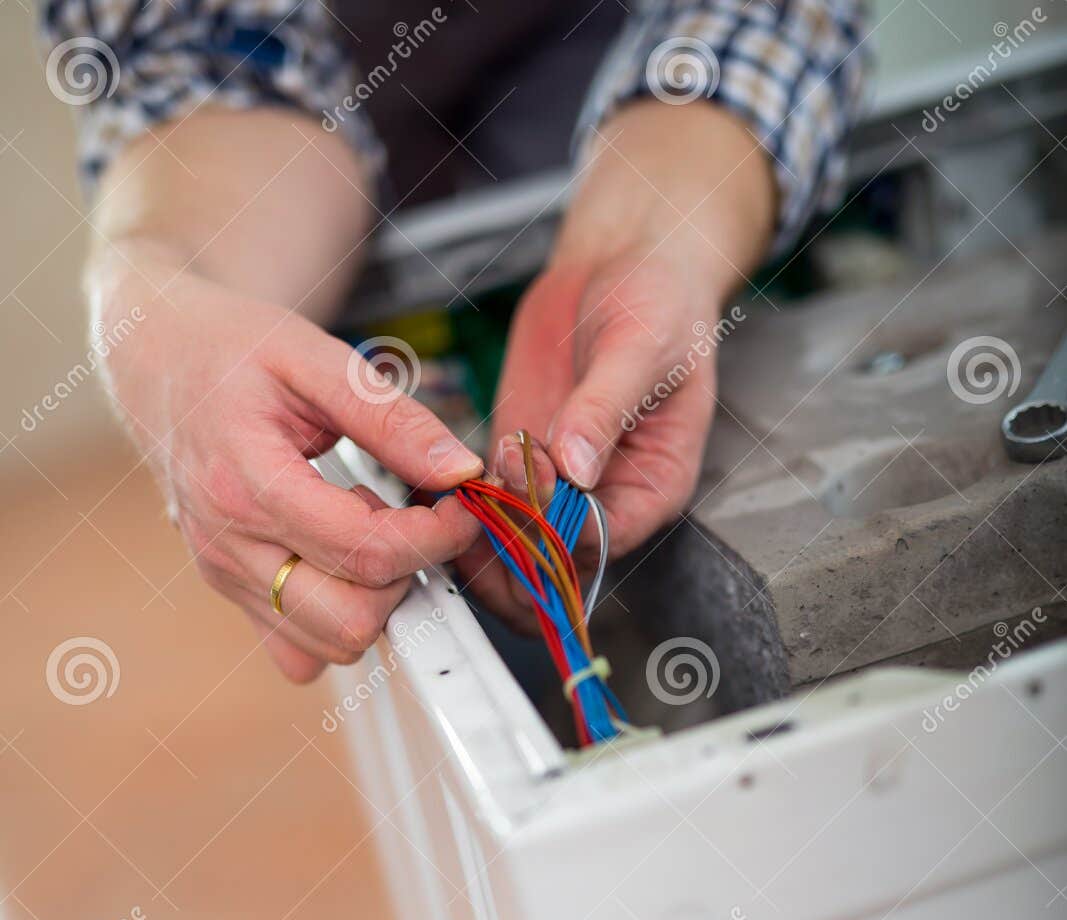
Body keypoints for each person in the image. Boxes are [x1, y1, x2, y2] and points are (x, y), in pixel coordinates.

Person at [41, 1, 866, 682]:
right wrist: (155, 287)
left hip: (666, 166)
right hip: (358, 246)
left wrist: (654, 237)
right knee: (485, 641)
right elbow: (206, 54)